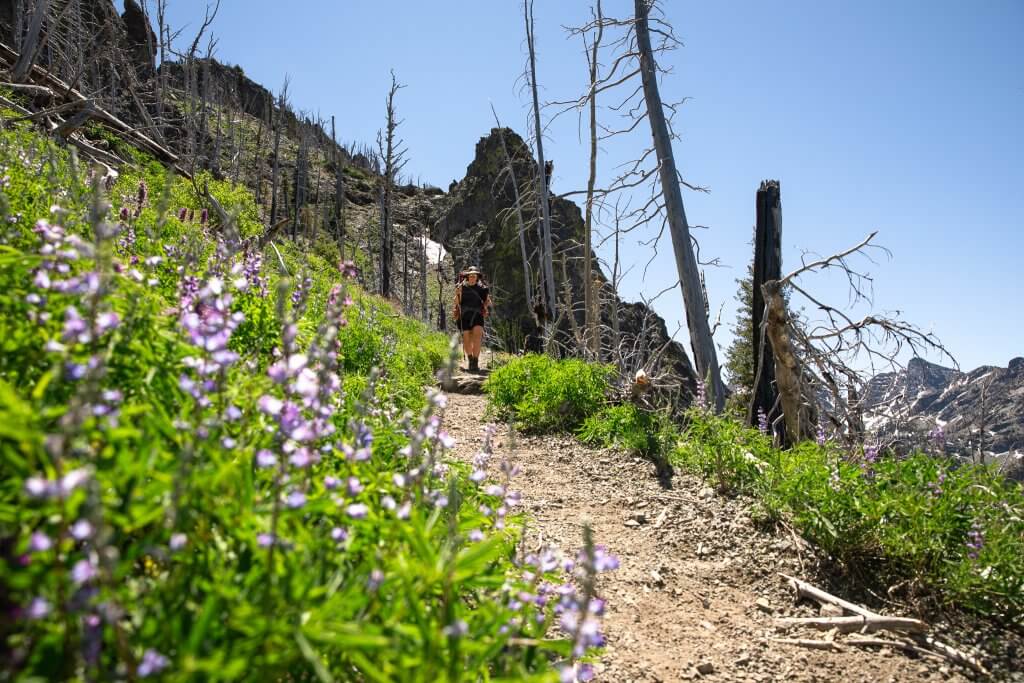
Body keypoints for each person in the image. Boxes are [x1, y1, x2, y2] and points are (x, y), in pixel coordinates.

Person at [453, 266, 490, 372]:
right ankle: (470, 360)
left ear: (477, 277)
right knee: (466, 338)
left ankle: (475, 361)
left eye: (474, 276)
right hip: (464, 316)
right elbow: (456, 302)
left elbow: (487, 301)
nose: (473, 277)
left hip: (477, 315)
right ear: (467, 277)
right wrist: (457, 294)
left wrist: (486, 304)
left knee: (477, 336)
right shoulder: (461, 288)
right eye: (471, 276)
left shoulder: (483, 289)